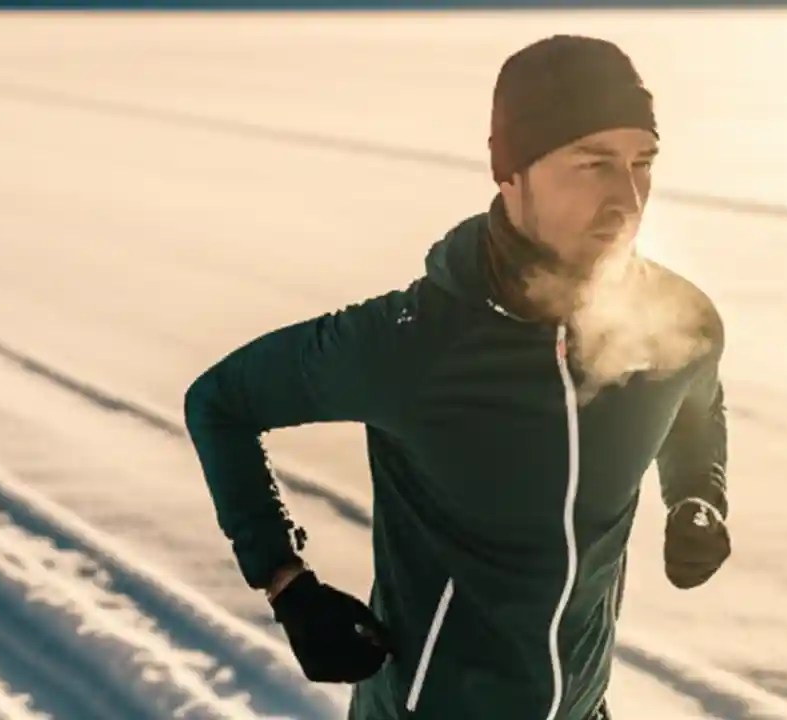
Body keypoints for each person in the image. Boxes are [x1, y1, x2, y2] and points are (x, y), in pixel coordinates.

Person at [184, 34, 731, 720]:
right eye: (593, 165)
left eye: (642, 163)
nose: (628, 196)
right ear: (512, 175)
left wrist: (696, 497)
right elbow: (220, 403)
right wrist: (285, 582)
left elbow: (697, 405)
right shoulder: (414, 343)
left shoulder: (675, 320)